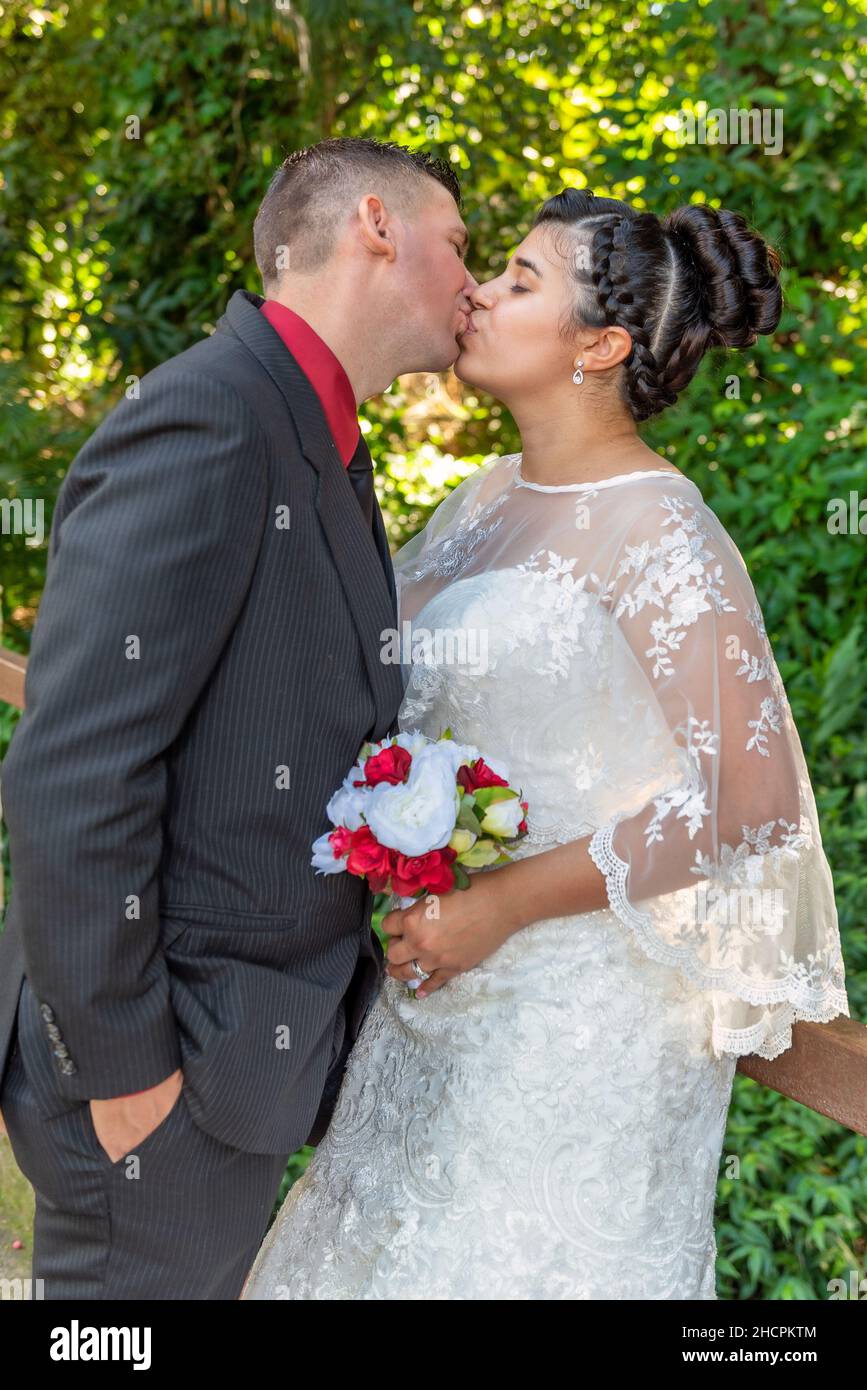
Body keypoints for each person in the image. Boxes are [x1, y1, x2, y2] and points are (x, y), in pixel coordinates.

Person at [240, 189, 850, 1300]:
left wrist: (500, 903)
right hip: (435, 999)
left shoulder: (662, 530)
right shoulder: (482, 504)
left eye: (521, 280)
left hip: (580, 1029)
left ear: (601, 343)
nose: (479, 291)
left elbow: (748, 797)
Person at [0, 137, 477, 1299]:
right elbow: (74, 767)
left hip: (233, 1059)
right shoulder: (211, 416)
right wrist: (127, 1074)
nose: (472, 282)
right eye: (459, 245)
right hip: (157, 1068)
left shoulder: (323, 440)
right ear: (375, 224)